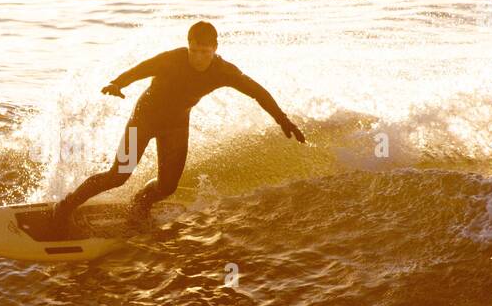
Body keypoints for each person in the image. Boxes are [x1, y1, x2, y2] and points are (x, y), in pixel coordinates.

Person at [45, 21, 305, 238]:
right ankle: (65, 206)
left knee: (168, 186)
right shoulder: (172, 60)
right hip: (143, 119)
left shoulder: (224, 71)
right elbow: (140, 69)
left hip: (176, 126)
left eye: (205, 51)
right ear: (188, 46)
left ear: (215, 49)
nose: (199, 57)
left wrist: (283, 120)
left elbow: (258, 92)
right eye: (194, 50)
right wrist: (117, 83)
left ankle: (140, 204)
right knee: (119, 174)